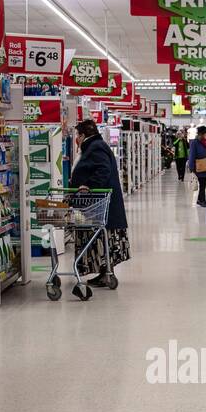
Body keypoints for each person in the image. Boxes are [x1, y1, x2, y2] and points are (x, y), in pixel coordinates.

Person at [70, 118, 130, 286]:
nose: (76, 138)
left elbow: (103, 169)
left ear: (82, 135)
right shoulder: (95, 145)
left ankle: (107, 273)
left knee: (102, 238)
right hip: (99, 205)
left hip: (101, 205)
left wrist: (88, 186)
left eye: (77, 134)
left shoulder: (95, 147)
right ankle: (105, 272)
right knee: (102, 239)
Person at [188, 125, 206, 208]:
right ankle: (202, 201)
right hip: (199, 166)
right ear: (200, 134)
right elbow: (192, 155)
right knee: (202, 185)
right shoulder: (194, 143)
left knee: (203, 185)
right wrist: (191, 167)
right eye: (205, 133)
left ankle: (200, 200)